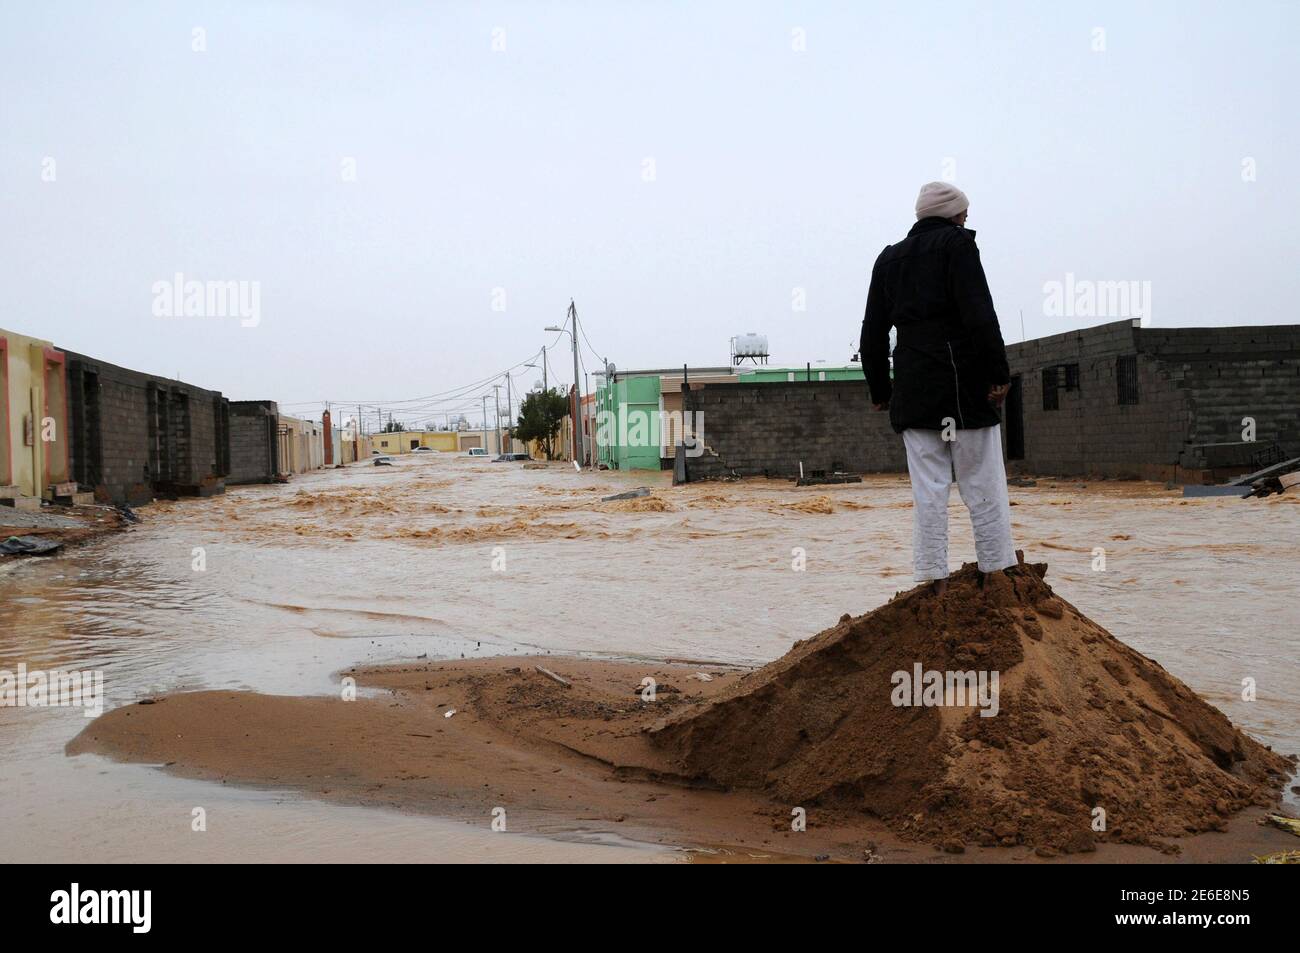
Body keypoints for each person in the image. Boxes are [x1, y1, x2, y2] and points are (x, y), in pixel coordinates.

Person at [860, 181, 1017, 594]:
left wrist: (880, 390)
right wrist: (999, 374)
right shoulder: (957, 246)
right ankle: (997, 574)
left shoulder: (888, 259)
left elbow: (872, 332)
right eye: (965, 213)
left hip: (914, 392)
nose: (968, 219)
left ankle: (934, 581)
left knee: (928, 491)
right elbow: (980, 315)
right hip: (963, 387)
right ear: (953, 214)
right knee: (983, 483)